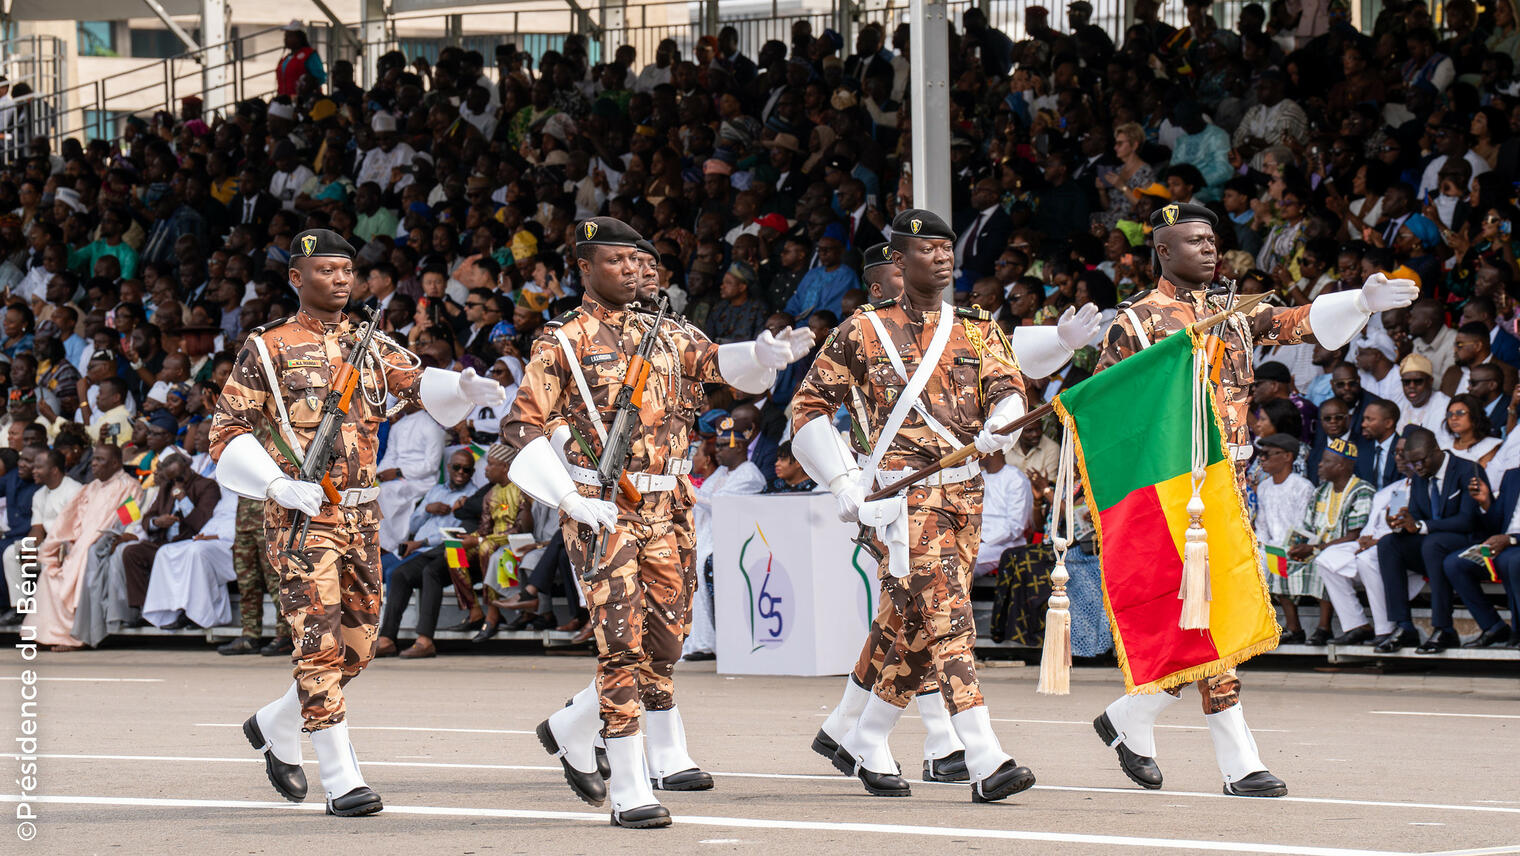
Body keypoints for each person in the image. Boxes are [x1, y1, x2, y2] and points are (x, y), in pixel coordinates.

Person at [498, 217, 814, 828]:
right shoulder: (560, 341)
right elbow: (520, 431)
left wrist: (762, 355)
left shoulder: (666, 332)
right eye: (615, 260)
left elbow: (721, 364)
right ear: (585, 268)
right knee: (621, 646)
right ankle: (630, 784)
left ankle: (570, 725)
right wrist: (569, 496)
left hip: (670, 507)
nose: (631, 269)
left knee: (664, 646)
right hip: (603, 506)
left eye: (635, 259)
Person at [1093, 201, 1416, 797]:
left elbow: (1295, 320)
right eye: (1193, 241)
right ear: (1163, 251)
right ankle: (1234, 759)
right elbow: (1113, 415)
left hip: (1231, 484)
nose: (1210, 248)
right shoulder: (1134, 323)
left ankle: (1133, 719)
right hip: (1172, 489)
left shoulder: (1236, 312)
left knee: (1210, 614)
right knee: (1210, 614)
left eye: (1212, 238)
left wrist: (1358, 302)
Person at [209, 229, 506, 817]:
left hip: (362, 513)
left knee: (358, 647)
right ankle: (341, 777)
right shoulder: (267, 348)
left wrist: (462, 387)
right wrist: (275, 484)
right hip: (303, 514)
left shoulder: (372, 343)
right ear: (297, 278)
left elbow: (416, 384)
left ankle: (276, 722)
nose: (342, 279)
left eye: (348, 269)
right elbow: (226, 433)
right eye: (326, 269)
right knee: (317, 643)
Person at [791, 209, 1036, 804]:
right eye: (928, 248)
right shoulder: (861, 330)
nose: (944, 255)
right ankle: (984, 753)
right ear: (898, 262)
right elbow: (807, 410)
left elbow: (1009, 390)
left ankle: (861, 736)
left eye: (948, 246)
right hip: (900, 498)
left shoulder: (978, 327)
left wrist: (1002, 424)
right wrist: (844, 481)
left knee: (910, 621)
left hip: (965, 491)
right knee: (948, 614)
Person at [1374, 426, 1487, 653]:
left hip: (1468, 542)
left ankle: (1444, 628)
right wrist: (1400, 525)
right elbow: (1416, 518)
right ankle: (1404, 626)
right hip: (1432, 546)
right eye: (1413, 464)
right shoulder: (1419, 477)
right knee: (1389, 543)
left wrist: (1419, 526)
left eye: (1421, 461)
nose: (1418, 468)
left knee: (1433, 544)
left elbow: (1467, 521)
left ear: (1436, 450)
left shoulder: (1467, 470)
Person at [22, 443, 145, 650]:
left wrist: (100, 540)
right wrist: (64, 541)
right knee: (50, 571)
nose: (93, 464)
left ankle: (74, 637)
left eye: (100, 460)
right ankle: (46, 634)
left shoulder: (131, 487)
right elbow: (71, 519)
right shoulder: (91, 487)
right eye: (93, 459)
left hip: (100, 544)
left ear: (115, 463)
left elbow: (127, 519)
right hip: (77, 543)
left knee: (78, 570)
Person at [1286, 438, 1376, 645]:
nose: (1319, 464)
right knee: (1283, 562)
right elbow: (1308, 529)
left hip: (1350, 552)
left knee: (1325, 561)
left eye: (1325, 461)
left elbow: (1355, 535)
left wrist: (1317, 548)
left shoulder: (1362, 491)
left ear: (1341, 466)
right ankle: (1294, 629)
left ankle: (1323, 628)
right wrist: (1299, 546)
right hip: (1319, 549)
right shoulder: (1320, 492)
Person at [1253, 433, 1317, 642]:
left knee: (1268, 563)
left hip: (1296, 548)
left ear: (1287, 456)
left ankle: (1286, 627)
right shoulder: (1263, 487)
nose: (1262, 459)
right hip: (1269, 547)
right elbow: (1261, 526)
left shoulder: (1302, 486)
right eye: (1261, 455)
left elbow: (1302, 526)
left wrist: (1277, 548)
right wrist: (1263, 545)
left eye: (1267, 454)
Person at [276, 21, 327, 97]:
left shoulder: (310, 55)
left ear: (299, 38)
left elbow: (320, 78)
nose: (285, 39)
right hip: (285, 100)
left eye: (289, 36)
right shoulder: (287, 58)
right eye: (285, 36)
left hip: (302, 101)